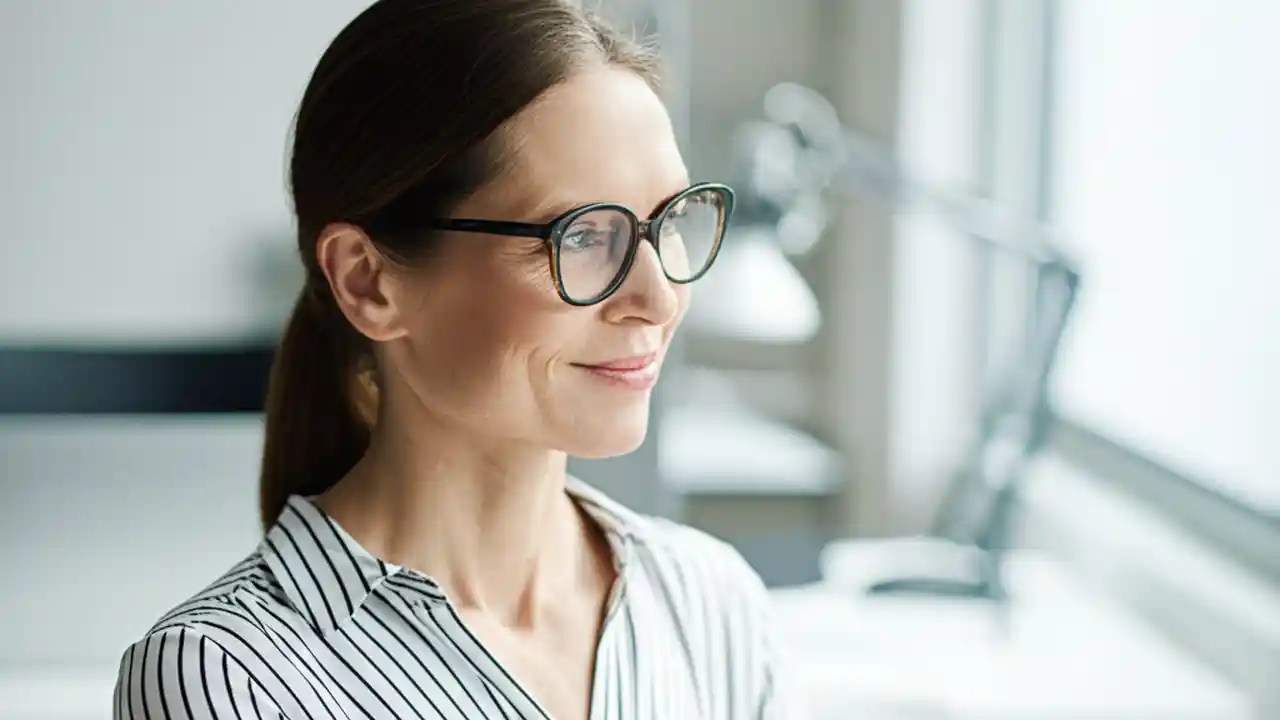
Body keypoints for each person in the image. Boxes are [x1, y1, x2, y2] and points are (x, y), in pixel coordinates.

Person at [114, 1, 802, 718]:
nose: (657, 297)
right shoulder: (229, 678)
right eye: (582, 235)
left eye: (671, 221)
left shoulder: (710, 604)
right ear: (368, 281)